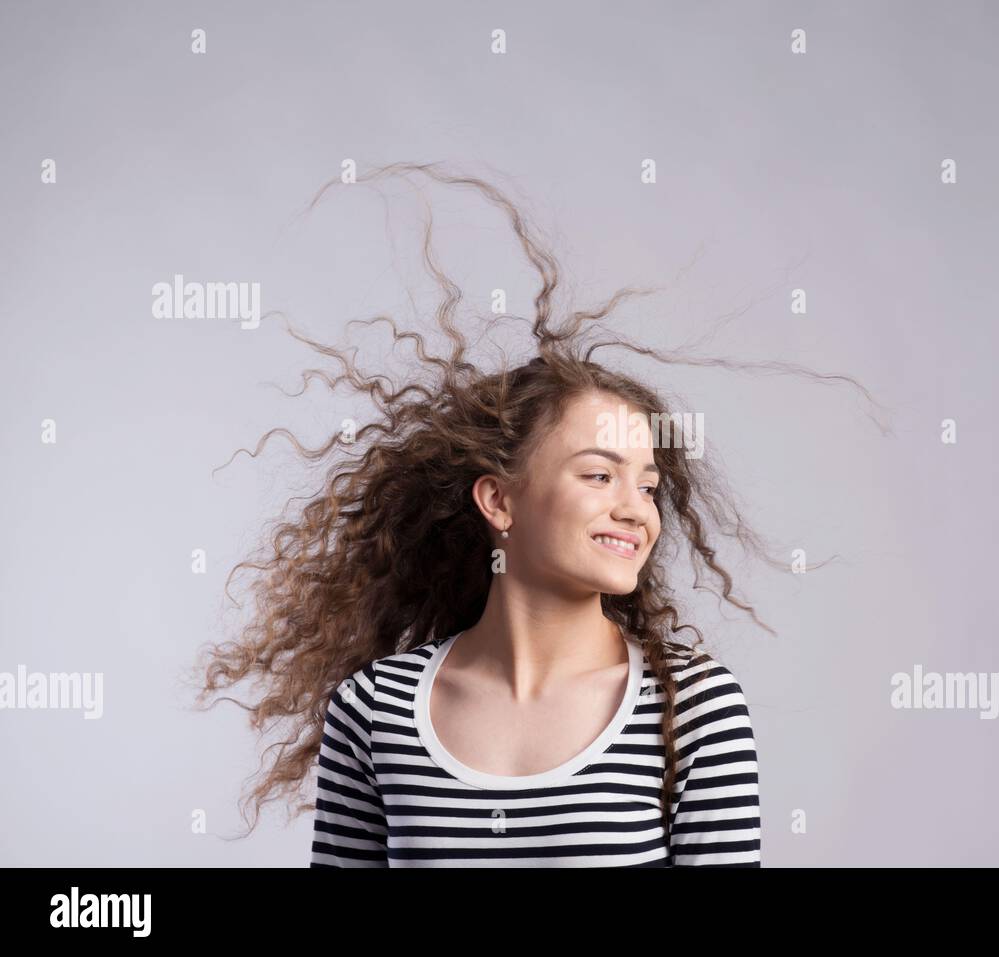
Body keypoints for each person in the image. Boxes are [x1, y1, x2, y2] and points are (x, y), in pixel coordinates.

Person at [191, 162, 890, 867]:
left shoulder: (696, 710)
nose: (636, 509)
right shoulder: (373, 710)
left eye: (648, 486)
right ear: (499, 500)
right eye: (599, 474)